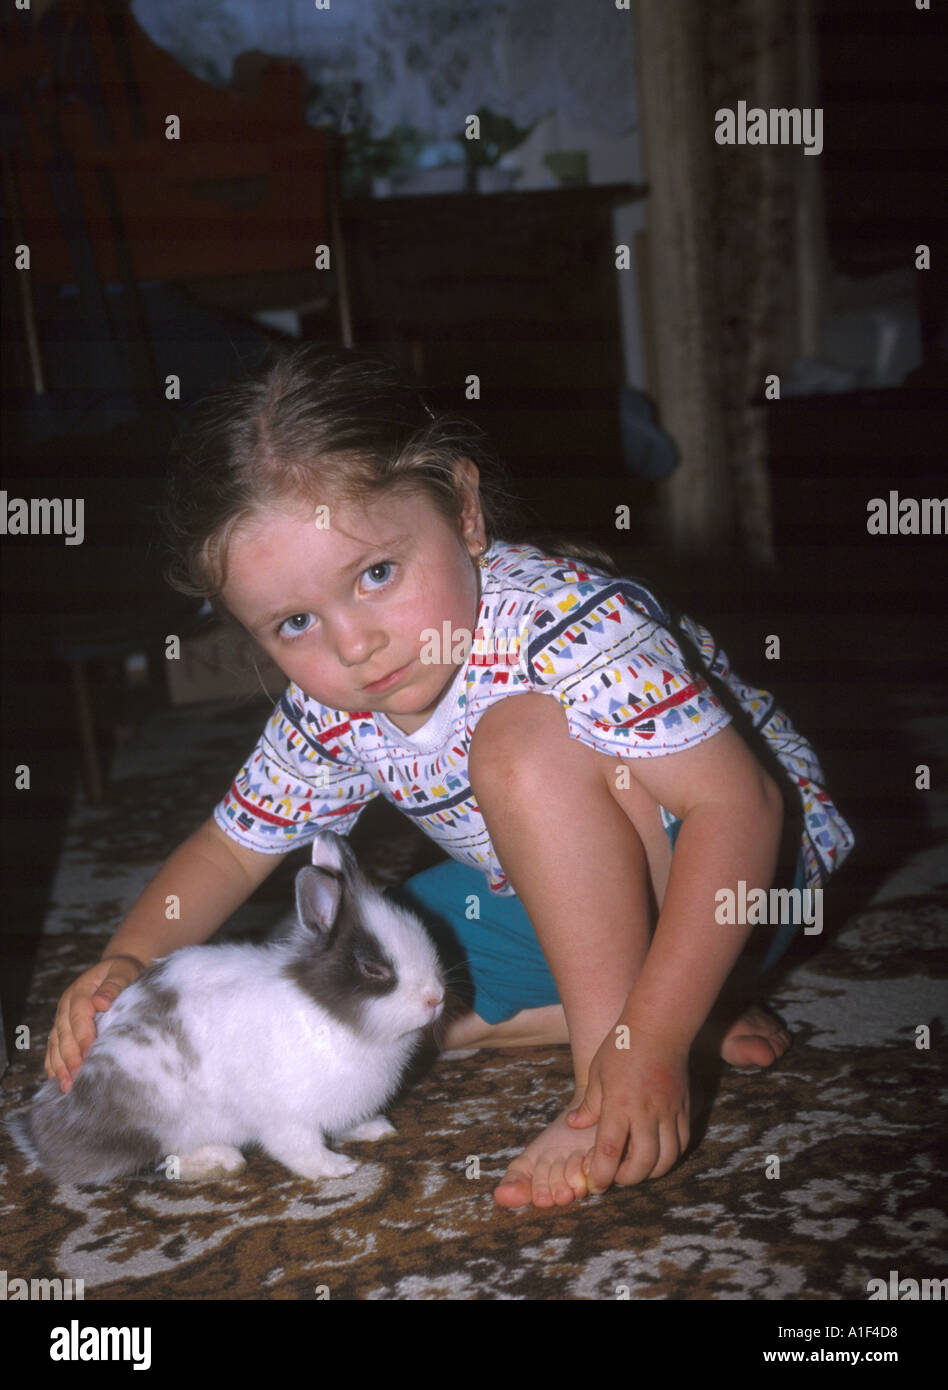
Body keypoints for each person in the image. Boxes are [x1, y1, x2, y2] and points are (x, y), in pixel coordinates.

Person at [44, 345, 854, 1210]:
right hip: (563, 888)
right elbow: (227, 851)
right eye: (293, 623)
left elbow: (744, 805)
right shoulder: (331, 706)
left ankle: (613, 1073)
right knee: (365, 1018)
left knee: (520, 749)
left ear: (465, 512)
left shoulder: (569, 624)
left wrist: (644, 1043)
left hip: (739, 873)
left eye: (378, 574)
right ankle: (690, 1006)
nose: (354, 646)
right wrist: (125, 958)